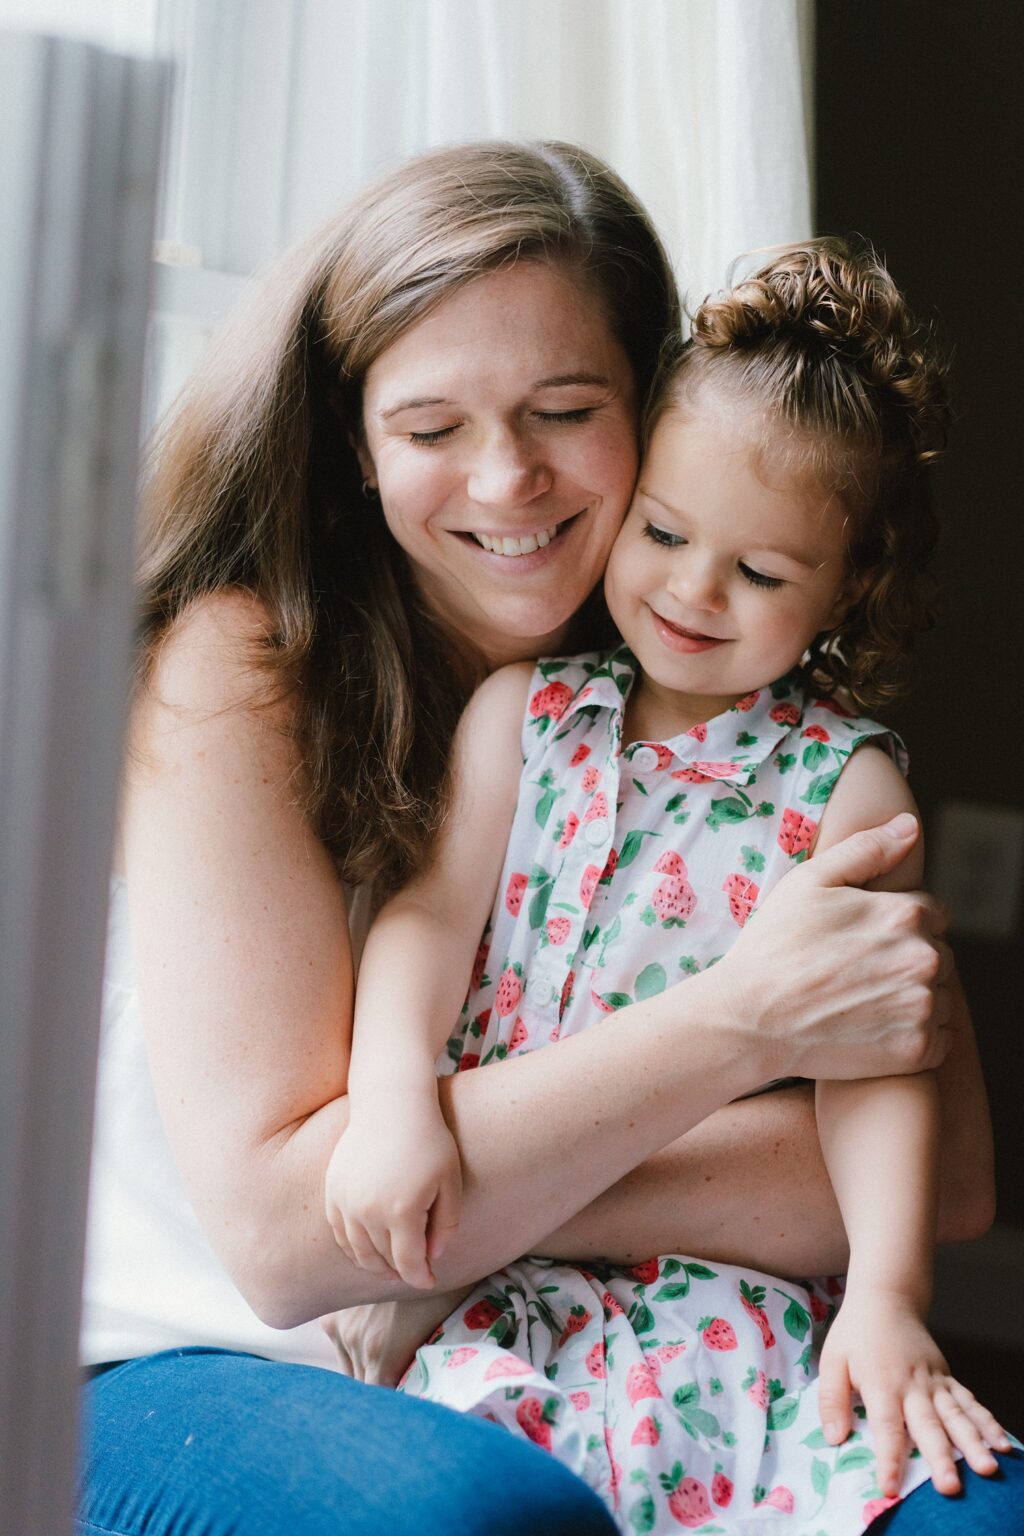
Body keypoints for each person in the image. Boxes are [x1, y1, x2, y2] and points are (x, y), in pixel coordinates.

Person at [77, 142, 992, 1536]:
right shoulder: (236, 663)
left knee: (978, 1513)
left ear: (655, 400)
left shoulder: (689, 659)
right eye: (433, 428)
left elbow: (949, 1181)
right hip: (180, 1353)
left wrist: (471, 1218)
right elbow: (285, 1241)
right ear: (352, 445)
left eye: (567, 409)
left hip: (592, 1330)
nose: (509, 483)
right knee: (484, 1516)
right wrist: (740, 1031)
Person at [325, 238, 1021, 1534]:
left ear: (843, 591)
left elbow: (882, 1064)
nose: (696, 590)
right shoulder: (522, 715)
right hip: (507, 1276)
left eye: (761, 573)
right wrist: (390, 1099)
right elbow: (428, 919)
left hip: (722, 1291)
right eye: (664, 532)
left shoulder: (844, 793)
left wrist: (889, 1292)